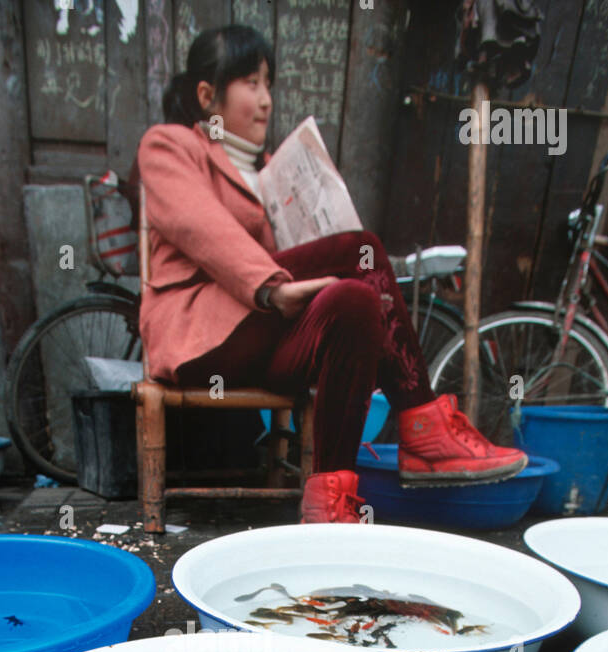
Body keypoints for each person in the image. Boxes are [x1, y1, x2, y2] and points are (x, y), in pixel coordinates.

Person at [129, 25, 526, 523]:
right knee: (361, 250)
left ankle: (329, 503)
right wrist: (272, 290)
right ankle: (424, 428)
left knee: (357, 300)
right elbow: (199, 226)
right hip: (203, 341)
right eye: (250, 83)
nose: (266, 100)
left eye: (268, 84)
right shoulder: (168, 146)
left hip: (267, 338)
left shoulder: (271, 169)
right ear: (208, 94)